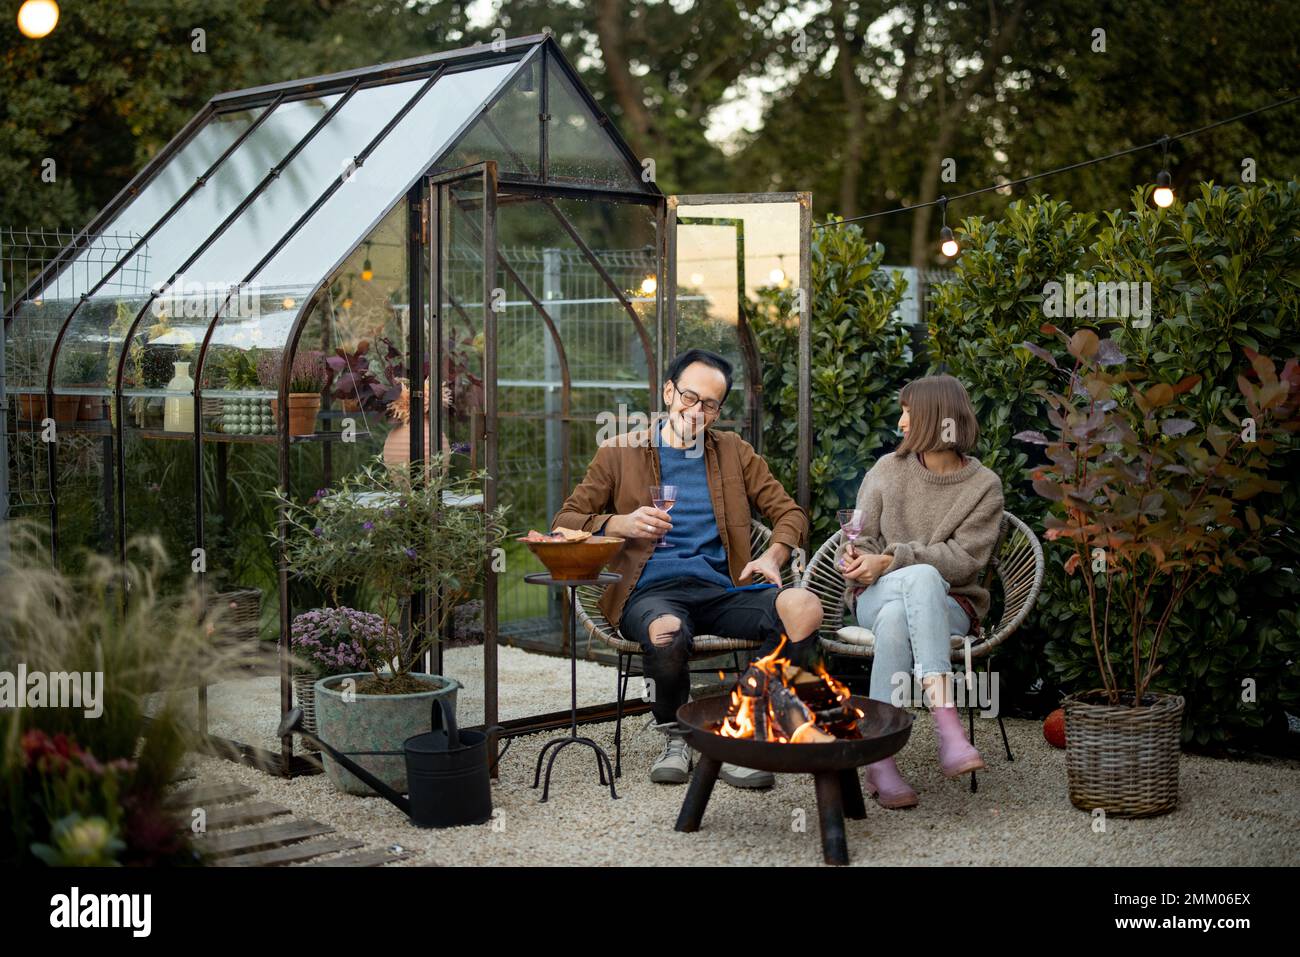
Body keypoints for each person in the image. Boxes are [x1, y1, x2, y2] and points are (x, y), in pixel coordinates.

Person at [553, 349, 822, 788]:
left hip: (722, 589)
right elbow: (563, 523)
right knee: (666, 632)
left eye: (710, 404)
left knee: (804, 608)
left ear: (719, 409)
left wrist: (774, 554)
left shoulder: (735, 451)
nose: (697, 412)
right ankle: (675, 735)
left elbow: (791, 513)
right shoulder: (619, 452)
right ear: (668, 391)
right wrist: (619, 523)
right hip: (649, 592)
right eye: (689, 397)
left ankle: (743, 727)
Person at [840, 374, 1004, 809]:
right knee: (914, 583)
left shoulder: (983, 486)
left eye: (908, 411)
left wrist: (894, 559)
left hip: (952, 604)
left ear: (934, 417)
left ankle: (880, 759)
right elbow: (861, 541)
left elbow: (965, 562)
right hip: (874, 596)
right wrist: (857, 559)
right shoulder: (886, 470)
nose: (900, 421)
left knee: (915, 594)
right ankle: (947, 724)